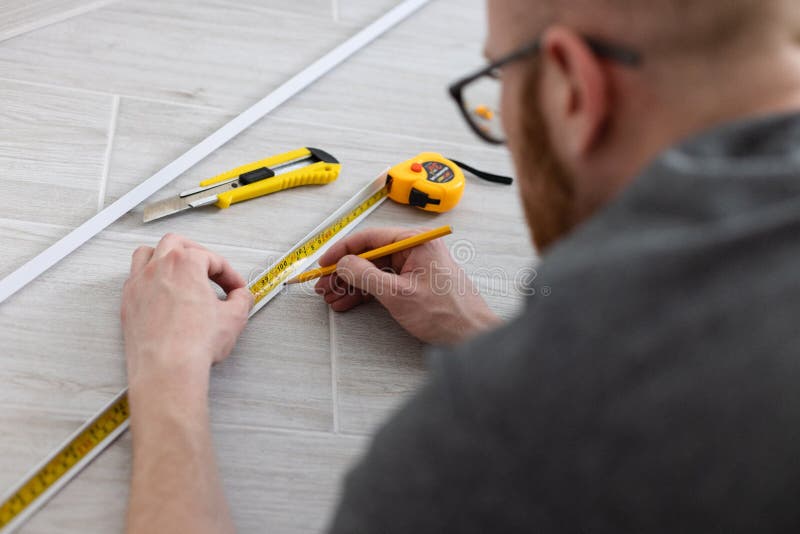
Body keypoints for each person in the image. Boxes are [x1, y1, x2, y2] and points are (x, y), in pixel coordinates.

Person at [121, 0, 800, 532]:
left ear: (571, 89)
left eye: (500, 75)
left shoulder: (506, 433)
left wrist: (168, 371)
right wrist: (479, 330)